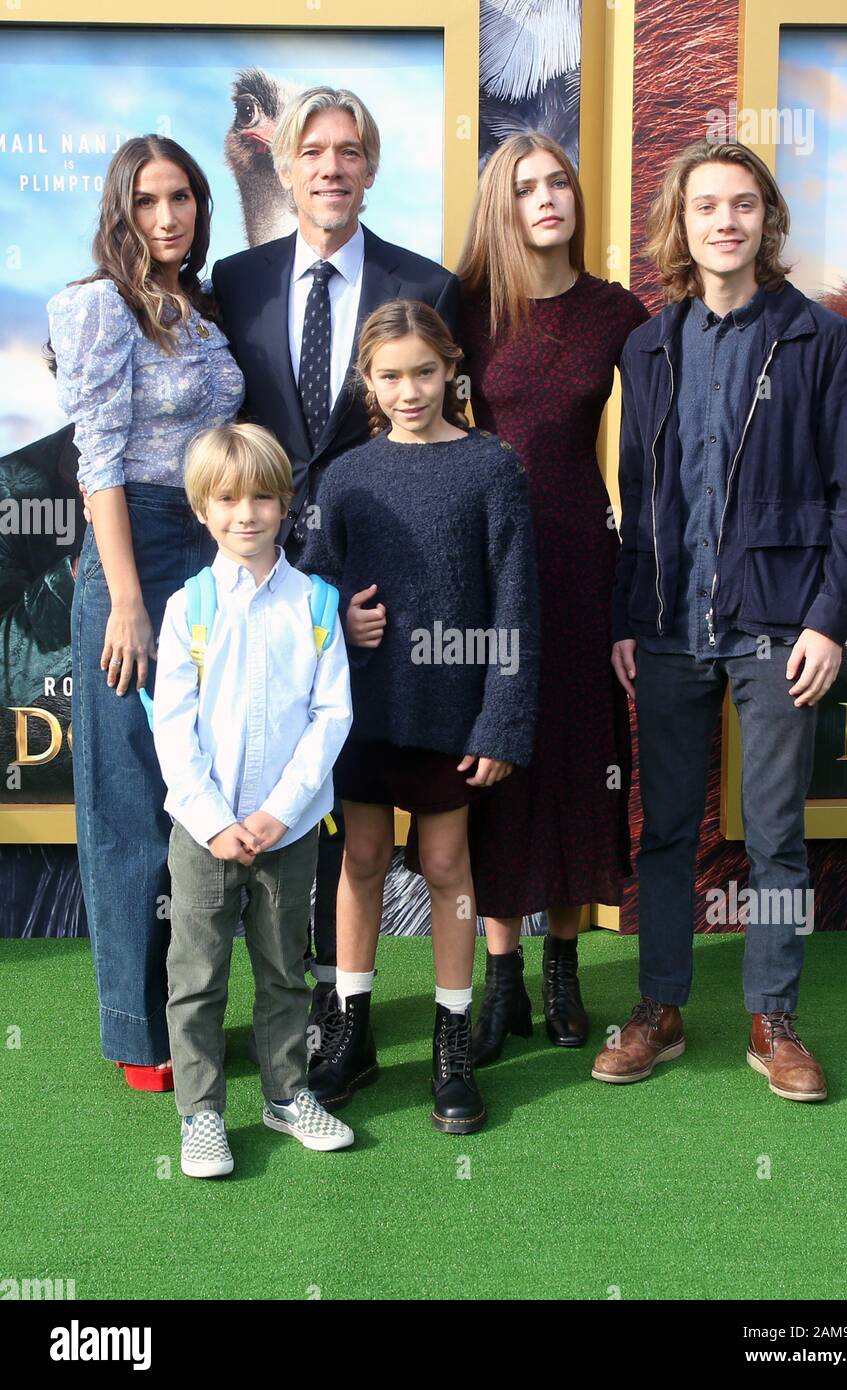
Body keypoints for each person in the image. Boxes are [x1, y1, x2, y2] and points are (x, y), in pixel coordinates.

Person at [593, 139, 847, 1101]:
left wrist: (830, 621)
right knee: (666, 830)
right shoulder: (649, 344)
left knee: (775, 836)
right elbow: (636, 493)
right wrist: (632, 614)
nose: (725, 221)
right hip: (670, 627)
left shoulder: (822, 342)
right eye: (707, 205)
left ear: (767, 220)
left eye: (743, 205)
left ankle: (774, 1018)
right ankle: (660, 1008)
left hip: (778, 626)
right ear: (681, 221)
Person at [211, 85, 460, 1011]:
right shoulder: (235, 283)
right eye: (312, 150)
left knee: (353, 801)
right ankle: (287, 1002)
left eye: (349, 151)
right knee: (277, 779)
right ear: (285, 168)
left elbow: (432, 454)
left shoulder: (426, 286)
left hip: (379, 591)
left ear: (371, 168)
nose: (330, 167)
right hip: (264, 573)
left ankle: (339, 1002)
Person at [301, 300, 539, 1133]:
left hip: (455, 709)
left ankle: (450, 1041)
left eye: (425, 373)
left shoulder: (491, 467)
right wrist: (343, 619)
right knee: (360, 859)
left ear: (453, 370)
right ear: (367, 380)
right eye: (391, 376)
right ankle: (350, 1032)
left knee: (446, 868)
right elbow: (310, 590)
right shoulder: (346, 477)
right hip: (364, 711)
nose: (410, 391)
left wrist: (502, 721)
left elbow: (516, 602)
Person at [46, 137, 244, 1090]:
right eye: (148, 202)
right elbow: (99, 460)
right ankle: (140, 1031)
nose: (168, 218)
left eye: (183, 200)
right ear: (120, 212)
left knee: (199, 786)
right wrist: (125, 597)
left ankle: (195, 1007)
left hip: (214, 551)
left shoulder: (203, 311)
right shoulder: (100, 308)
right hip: (135, 551)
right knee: (128, 796)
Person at [450, 133, 648, 1063]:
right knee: (496, 762)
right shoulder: (464, 310)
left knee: (578, 757)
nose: (545, 198)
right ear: (503, 201)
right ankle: (502, 982)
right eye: (525, 187)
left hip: (580, 562)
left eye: (558, 182)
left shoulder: (618, 312)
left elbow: (649, 463)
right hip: (485, 565)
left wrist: (636, 598)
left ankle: (563, 971)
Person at [152, 423, 353, 1176]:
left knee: (283, 970)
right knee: (196, 975)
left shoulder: (317, 605)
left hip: (290, 830)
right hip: (203, 834)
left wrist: (278, 812)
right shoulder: (188, 609)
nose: (247, 513)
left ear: (286, 503)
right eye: (228, 498)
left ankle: (286, 1094)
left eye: (262, 496)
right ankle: (202, 1114)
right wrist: (213, 821)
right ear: (202, 509)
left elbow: (332, 716)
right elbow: (172, 728)